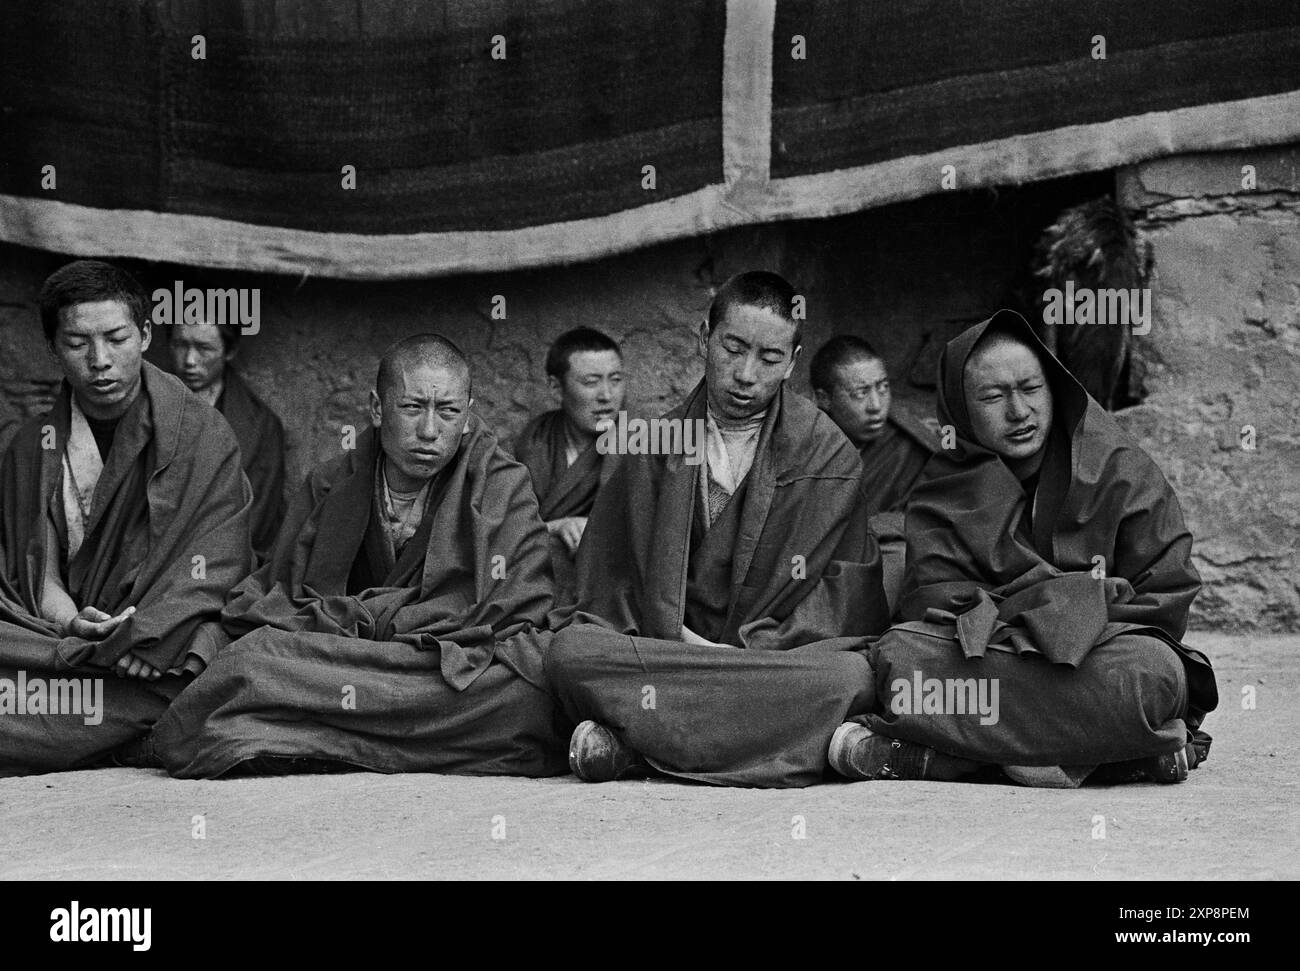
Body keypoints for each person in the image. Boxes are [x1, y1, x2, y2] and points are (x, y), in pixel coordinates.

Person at [829, 309, 1217, 787]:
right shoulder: (945, 487)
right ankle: (1117, 757)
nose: (1019, 412)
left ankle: (949, 761)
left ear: (1054, 387)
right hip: (991, 657)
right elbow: (929, 599)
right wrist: (1034, 611)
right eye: (993, 396)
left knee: (1154, 676)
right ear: (959, 408)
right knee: (901, 662)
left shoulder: (1119, 470)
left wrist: (1070, 618)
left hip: (1095, 658)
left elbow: (1167, 593)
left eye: (1031, 389)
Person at [153, 334, 570, 778]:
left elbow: (521, 607)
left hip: (433, 664)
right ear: (376, 408)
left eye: (448, 411)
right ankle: (371, 737)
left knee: (522, 690)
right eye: (412, 408)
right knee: (251, 659)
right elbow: (277, 597)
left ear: (467, 416)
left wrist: (379, 621)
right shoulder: (331, 483)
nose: (430, 431)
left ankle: (311, 737)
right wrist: (356, 625)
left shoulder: (502, 485)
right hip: (360, 662)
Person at [545, 271, 890, 788]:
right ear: (704, 339)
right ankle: (771, 746)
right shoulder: (648, 443)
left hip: (768, 661)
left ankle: (637, 747)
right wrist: (674, 637)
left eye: (770, 359)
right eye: (733, 349)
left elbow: (845, 600)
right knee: (572, 653)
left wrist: (756, 649)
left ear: (793, 362)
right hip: (669, 650)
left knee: (850, 675)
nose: (746, 375)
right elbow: (605, 588)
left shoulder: (827, 452)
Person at [0, 260, 253, 776]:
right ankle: (135, 731)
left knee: (218, 652)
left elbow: (221, 563)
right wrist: (73, 621)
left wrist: (152, 627)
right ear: (52, 348)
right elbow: (35, 575)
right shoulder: (34, 447)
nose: (100, 361)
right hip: (64, 645)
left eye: (115, 338)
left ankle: (95, 725)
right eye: (77, 343)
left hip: (158, 651)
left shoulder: (202, 433)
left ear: (144, 334)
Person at [810, 334, 938, 610]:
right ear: (824, 399)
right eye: (860, 393)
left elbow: (931, 517)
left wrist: (872, 528)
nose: (876, 406)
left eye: (882, 388)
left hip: (884, 555)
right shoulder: (804, 447)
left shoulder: (910, 445)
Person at [513, 327, 625, 603]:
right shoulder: (536, 441)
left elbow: (655, 533)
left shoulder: (638, 443)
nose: (607, 396)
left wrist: (598, 529)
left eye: (616, 379)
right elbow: (503, 527)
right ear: (555, 387)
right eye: (591, 382)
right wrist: (557, 526)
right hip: (534, 585)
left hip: (608, 589)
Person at [167, 318, 287, 562]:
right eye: (180, 345)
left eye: (204, 348)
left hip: (224, 561)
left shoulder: (261, 426)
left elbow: (258, 518)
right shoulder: (147, 407)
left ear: (229, 351)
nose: (189, 360)